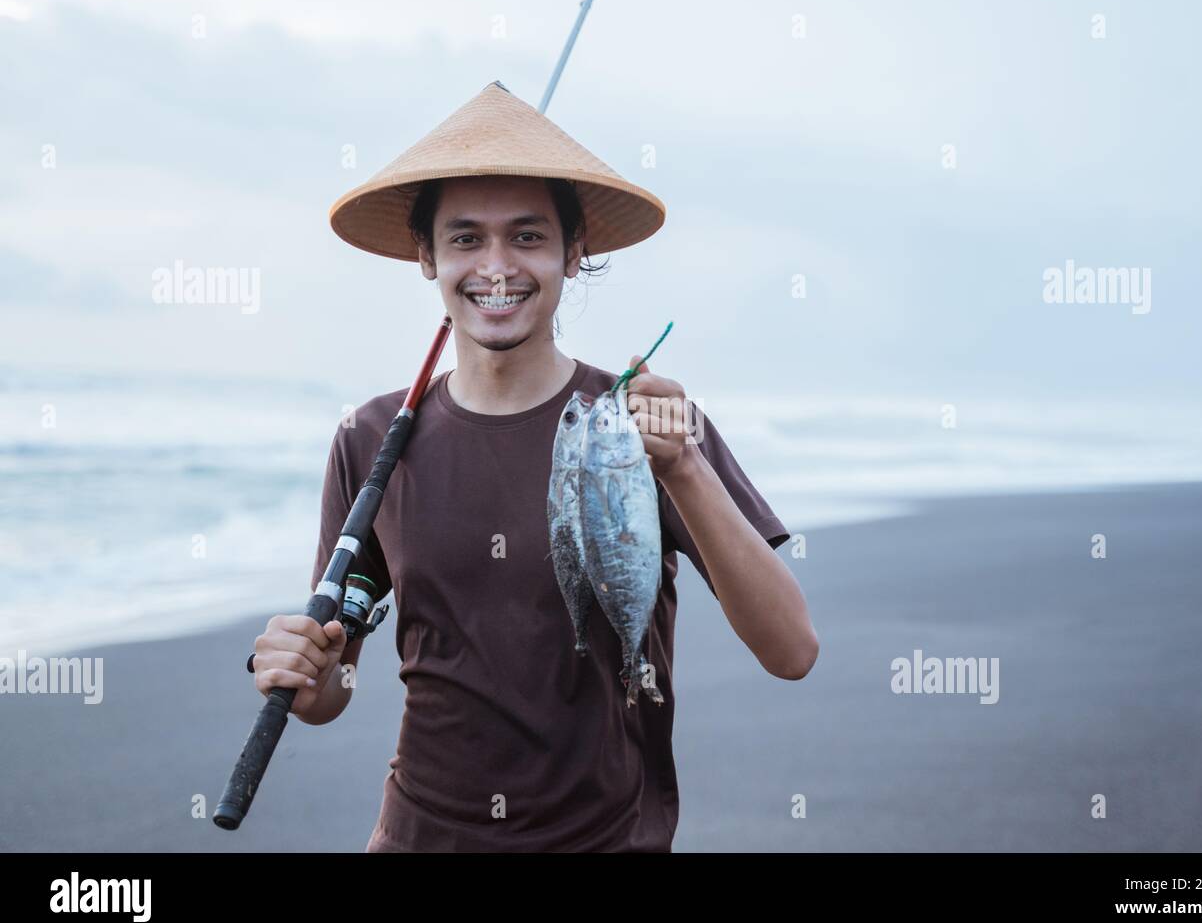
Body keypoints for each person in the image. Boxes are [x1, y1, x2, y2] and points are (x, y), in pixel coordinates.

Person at [249, 81, 817, 851]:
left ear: (574, 253)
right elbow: (331, 691)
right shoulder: (371, 436)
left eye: (526, 236)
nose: (496, 267)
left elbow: (791, 651)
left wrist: (682, 468)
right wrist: (303, 668)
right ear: (426, 256)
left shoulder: (648, 426)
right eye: (464, 239)